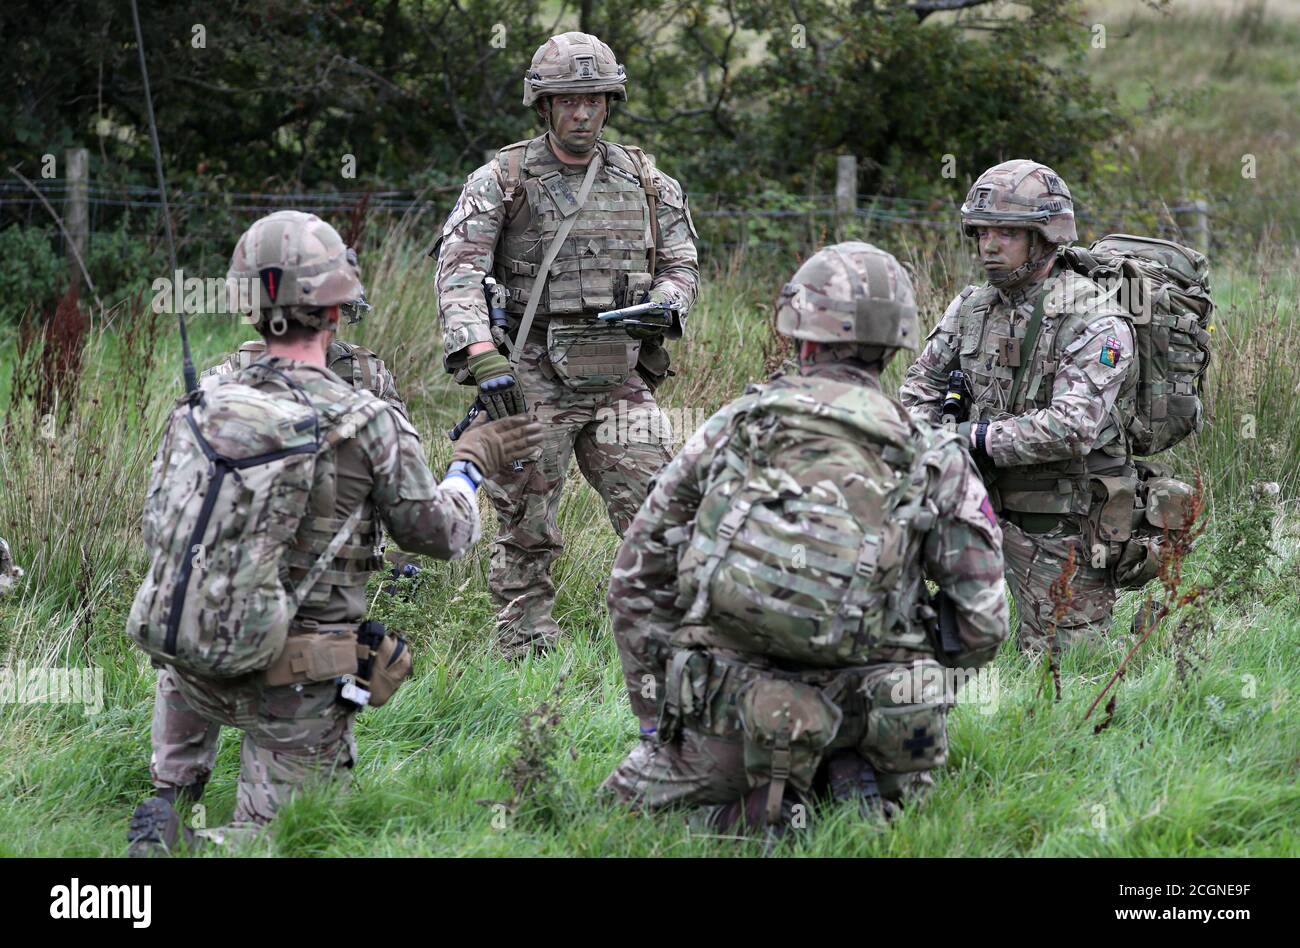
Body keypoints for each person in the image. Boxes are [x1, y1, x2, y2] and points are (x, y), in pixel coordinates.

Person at [128, 210, 541, 855]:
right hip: (296, 675)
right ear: (338, 311)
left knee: (182, 795)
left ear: (248, 311)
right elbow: (438, 535)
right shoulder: (366, 419)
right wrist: (470, 466)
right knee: (283, 841)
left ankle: (168, 802)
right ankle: (207, 840)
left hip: (189, 653)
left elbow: (162, 525)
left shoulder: (200, 403)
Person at [602, 242, 1008, 831]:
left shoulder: (736, 427)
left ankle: (751, 800)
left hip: (727, 708)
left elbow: (636, 579)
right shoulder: (935, 455)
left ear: (800, 332)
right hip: (884, 720)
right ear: (895, 344)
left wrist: (659, 724)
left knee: (614, 826)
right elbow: (984, 625)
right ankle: (845, 776)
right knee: (887, 826)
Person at [433, 31, 699, 658]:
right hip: (529, 370)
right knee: (526, 521)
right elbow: (460, 272)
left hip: (618, 374)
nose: (582, 113)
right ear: (544, 105)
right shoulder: (504, 178)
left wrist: (664, 306)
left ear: (610, 103)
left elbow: (683, 266)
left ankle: (661, 640)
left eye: (594, 100)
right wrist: (479, 352)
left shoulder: (645, 178)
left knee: (658, 510)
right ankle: (523, 643)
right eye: (568, 100)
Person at [899, 160, 1138, 655]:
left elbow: (1073, 428)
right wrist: (927, 441)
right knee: (933, 646)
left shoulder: (1094, 317)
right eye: (983, 231)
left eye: (1008, 232)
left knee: (1064, 668)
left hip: (1062, 520)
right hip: (973, 504)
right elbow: (918, 390)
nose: (990, 245)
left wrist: (972, 437)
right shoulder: (971, 307)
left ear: (1045, 237)